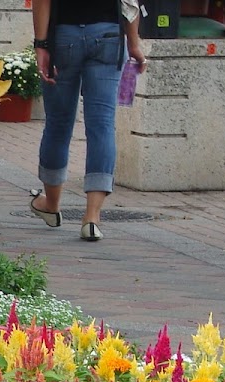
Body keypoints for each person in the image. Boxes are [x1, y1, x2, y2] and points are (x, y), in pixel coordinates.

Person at [27, 0, 146, 242]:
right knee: (101, 124)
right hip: (109, 35)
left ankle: (51, 204)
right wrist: (133, 44)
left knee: (58, 123)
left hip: (63, 36)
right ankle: (91, 218)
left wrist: (41, 44)